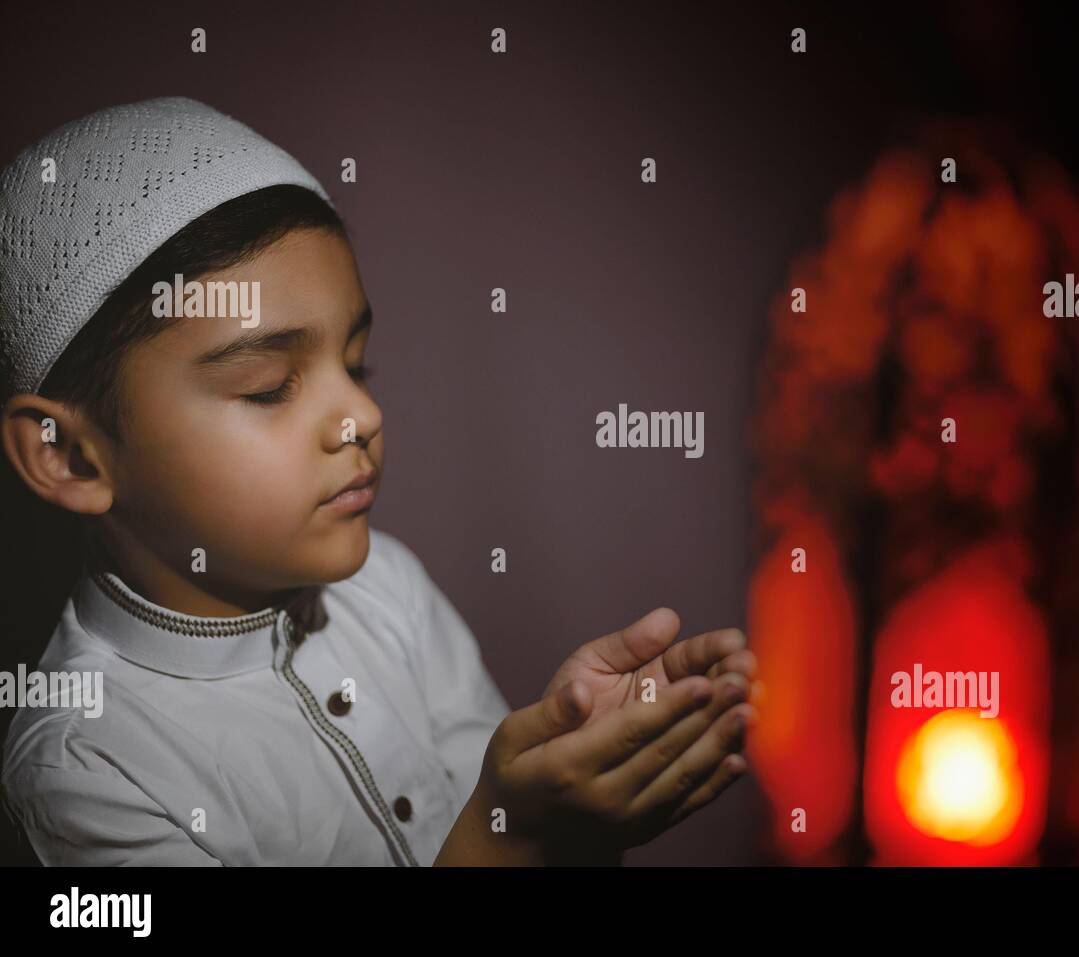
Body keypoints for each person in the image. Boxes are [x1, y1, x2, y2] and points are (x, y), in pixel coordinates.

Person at [0, 96, 757, 865]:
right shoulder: (85, 768)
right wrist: (514, 838)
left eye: (356, 365)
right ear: (68, 454)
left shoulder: (386, 585)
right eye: (268, 386)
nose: (360, 411)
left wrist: (567, 781)